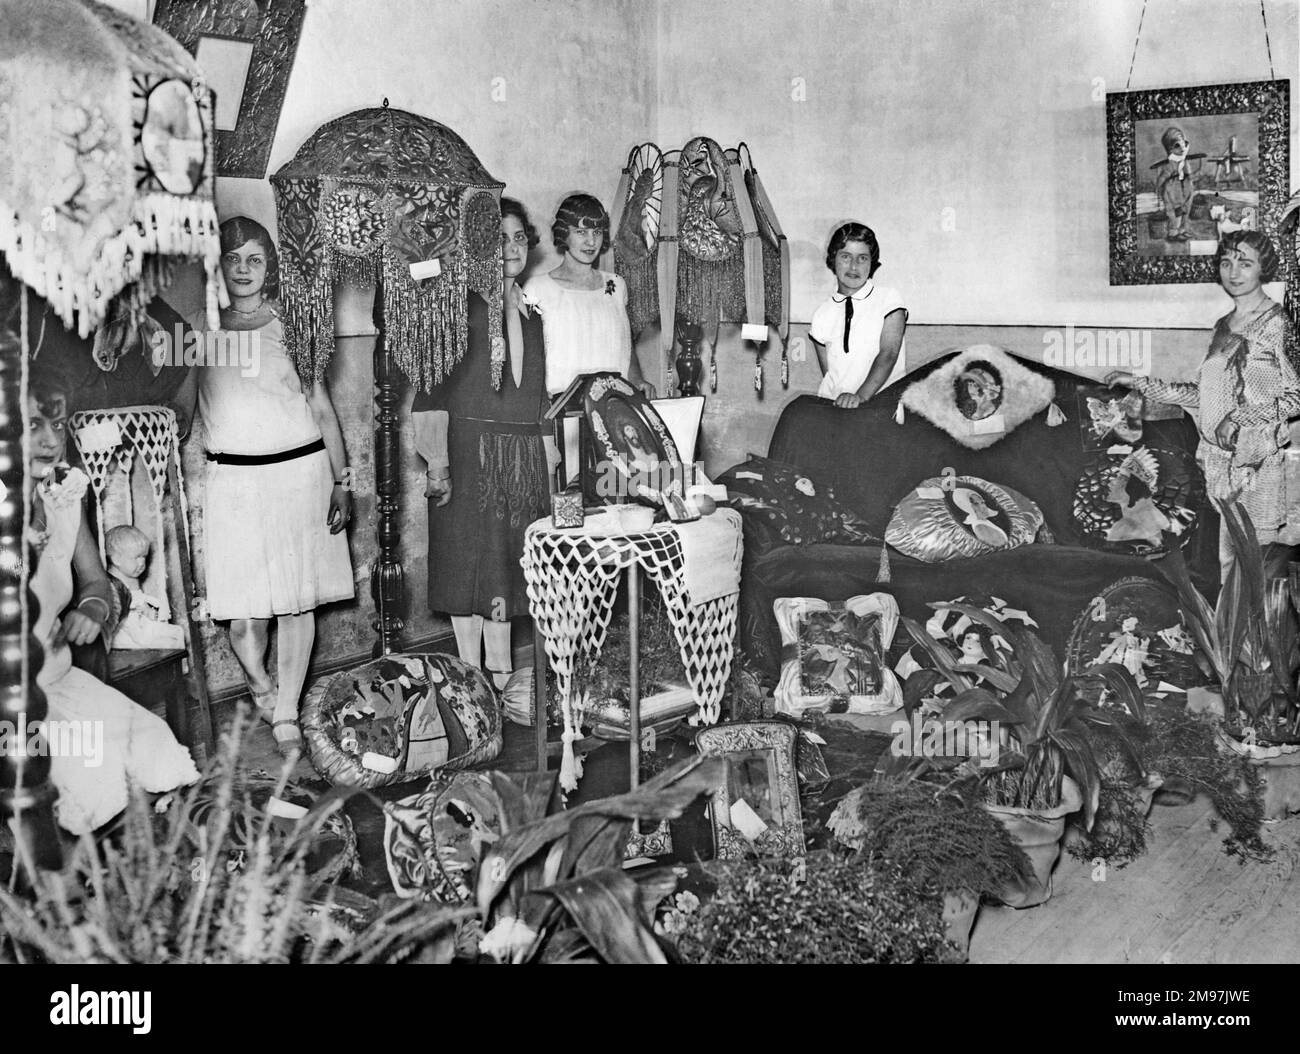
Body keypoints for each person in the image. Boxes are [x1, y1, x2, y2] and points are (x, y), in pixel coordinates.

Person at [190, 216, 355, 753]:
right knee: (243, 617)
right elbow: (180, 407)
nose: (243, 269)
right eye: (233, 258)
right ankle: (261, 687)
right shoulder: (197, 329)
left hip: (299, 476)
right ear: (219, 265)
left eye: (254, 258)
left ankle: (286, 713)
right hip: (233, 482)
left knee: (295, 601)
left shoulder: (293, 323)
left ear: (270, 266)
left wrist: (341, 481)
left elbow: (321, 407)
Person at [26, 371, 200, 835]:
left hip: (60, 681)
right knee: (92, 776)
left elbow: (97, 582)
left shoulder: (61, 495)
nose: (49, 442)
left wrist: (93, 610)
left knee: (153, 744)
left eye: (57, 426)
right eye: (32, 428)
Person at [412, 198, 550, 689]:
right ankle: (471, 680)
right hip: (468, 451)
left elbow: (536, 397)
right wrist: (437, 464)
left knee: (505, 568)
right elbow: (430, 389)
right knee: (464, 564)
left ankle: (502, 675)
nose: (511, 248)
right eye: (499, 238)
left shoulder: (533, 315)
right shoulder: (458, 306)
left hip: (520, 458)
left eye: (518, 238)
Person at [1108, 230, 1300, 580]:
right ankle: (1231, 637)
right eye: (1226, 262)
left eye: (1245, 263)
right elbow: (1201, 394)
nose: (1234, 272)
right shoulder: (1223, 325)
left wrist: (1240, 418)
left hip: (1257, 468)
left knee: (1255, 575)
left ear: (1264, 268)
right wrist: (1138, 382)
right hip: (1219, 467)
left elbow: (1295, 397)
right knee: (1229, 570)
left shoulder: (1277, 324)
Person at [523, 192, 657, 400]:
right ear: (563, 234)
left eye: (596, 231)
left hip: (616, 403)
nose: (591, 241)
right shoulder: (538, 289)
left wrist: (638, 380)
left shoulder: (616, 285)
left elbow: (625, 346)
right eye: (580, 232)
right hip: (560, 407)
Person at [809, 222, 908, 408]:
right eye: (846, 257)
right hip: (836, 411)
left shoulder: (888, 299)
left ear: (872, 263)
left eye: (862, 258)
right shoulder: (822, 314)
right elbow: (829, 374)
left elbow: (889, 354)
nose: (854, 267)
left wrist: (859, 398)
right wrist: (842, 402)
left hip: (879, 410)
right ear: (833, 259)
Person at [104, 524, 186, 650]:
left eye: (144, 557)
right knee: (168, 642)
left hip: (138, 626)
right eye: (137, 557)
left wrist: (148, 610)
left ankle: (180, 667)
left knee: (178, 632)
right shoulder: (111, 582)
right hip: (122, 633)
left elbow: (138, 601)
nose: (142, 563)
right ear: (116, 560)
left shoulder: (131, 578)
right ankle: (170, 666)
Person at [1152, 127, 1201, 244]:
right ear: (1170, 149)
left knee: (1186, 210)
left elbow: (1188, 175)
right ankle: (1173, 232)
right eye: (1177, 145)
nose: (1182, 147)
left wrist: (1193, 178)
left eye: (1184, 143)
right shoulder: (1170, 163)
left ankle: (1182, 229)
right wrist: (1158, 188)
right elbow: (1162, 178)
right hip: (1172, 190)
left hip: (1186, 188)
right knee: (1174, 213)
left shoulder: (1185, 161)